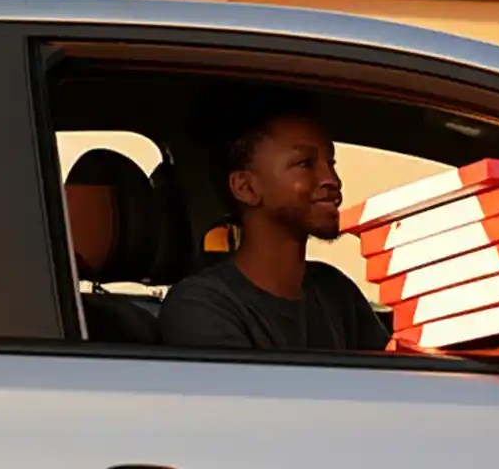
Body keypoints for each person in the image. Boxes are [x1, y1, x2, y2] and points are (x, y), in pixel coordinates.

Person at [158, 87, 390, 351]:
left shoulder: (334, 291)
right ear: (247, 188)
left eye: (331, 163)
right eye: (305, 163)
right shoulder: (201, 306)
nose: (332, 180)